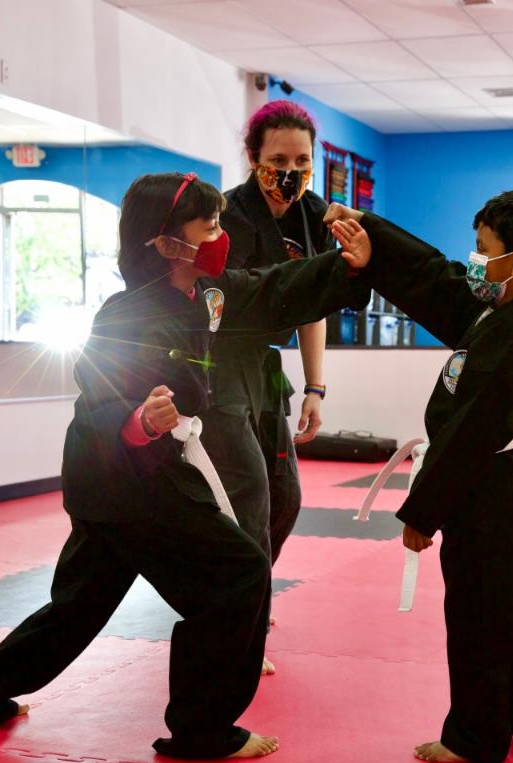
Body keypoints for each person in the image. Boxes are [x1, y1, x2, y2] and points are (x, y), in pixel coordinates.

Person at [0, 172, 372, 759]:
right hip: (126, 477)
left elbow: (272, 287)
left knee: (75, 610)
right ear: (166, 244)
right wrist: (139, 420)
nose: (223, 238)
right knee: (239, 572)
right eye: (209, 227)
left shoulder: (208, 292)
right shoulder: (125, 314)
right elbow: (98, 394)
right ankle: (202, 730)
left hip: (122, 482)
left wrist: (347, 268)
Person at [325, 187, 513, 763]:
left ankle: (477, 736)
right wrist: (368, 232)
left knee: (477, 613)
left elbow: (466, 435)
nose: (472, 257)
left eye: (483, 248)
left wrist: (421, 512)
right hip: (497, 477)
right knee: (510, 599)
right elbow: (432, 277)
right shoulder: (501, 314)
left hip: (483, 482)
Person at [202, 101, 334, 674]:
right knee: (250, 497)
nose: (290, 171)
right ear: (253, 158)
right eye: (277, 159)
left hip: (265, 367)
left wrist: (316, 387)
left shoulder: (315, 216)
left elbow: (315, 304)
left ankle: (245, 589)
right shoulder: (226, 215)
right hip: (218, 366)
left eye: (302, 160)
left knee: (286, 498)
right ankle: (240, 623)